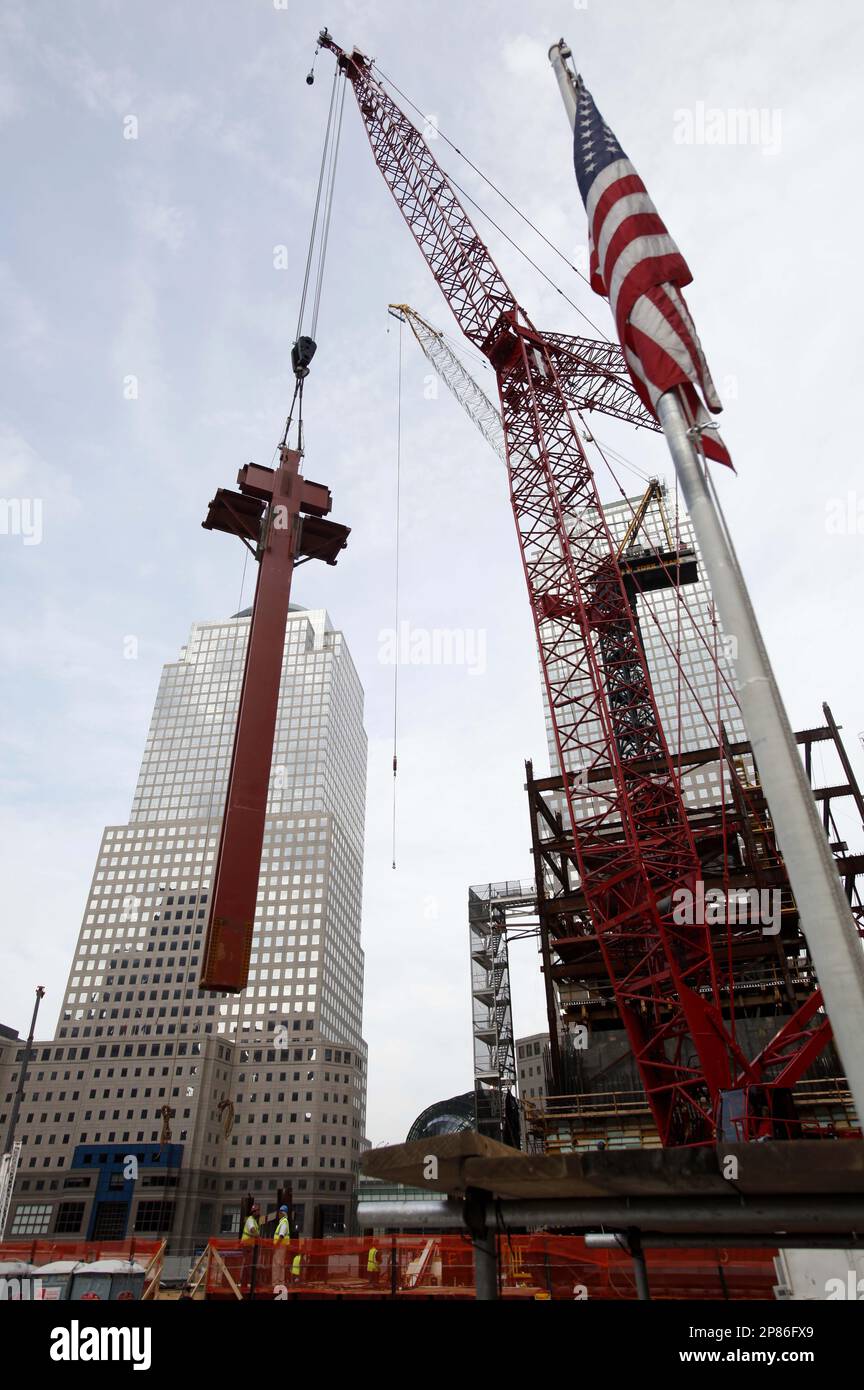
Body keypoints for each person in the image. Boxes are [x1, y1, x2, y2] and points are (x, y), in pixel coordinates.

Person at [272, 1205, 291, 1286]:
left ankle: (276, 1283)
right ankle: (280, 1282)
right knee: (280, 1264)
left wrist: (276, 1245)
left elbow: (281, 1235)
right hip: (281, 1246)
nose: (278, 1214)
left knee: (277, 1264)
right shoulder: (283, 1222)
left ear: (283, 1213)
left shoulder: (284, 1222)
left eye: (280, 1212)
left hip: (280, 1246)